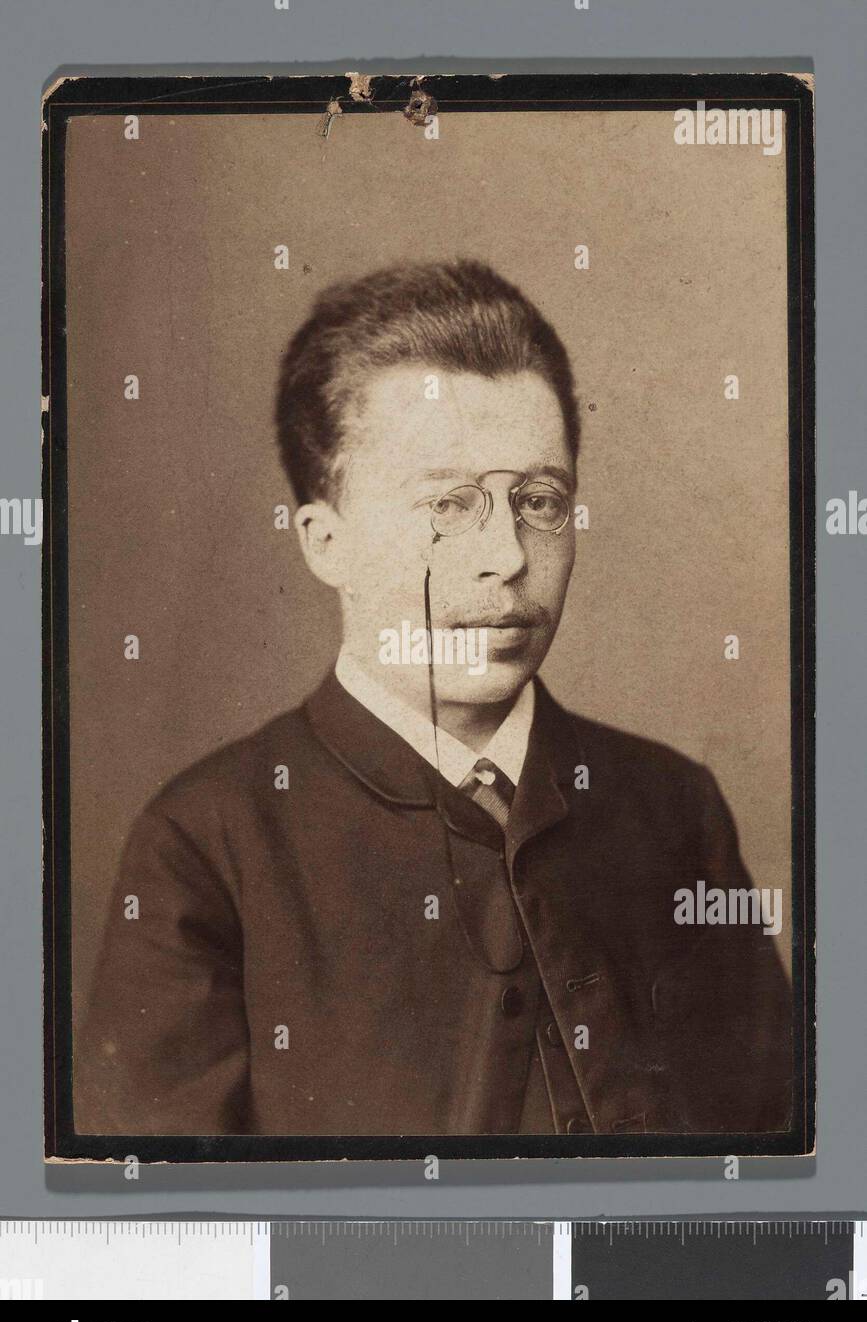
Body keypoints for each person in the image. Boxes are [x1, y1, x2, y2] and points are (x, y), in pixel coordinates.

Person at [76, 259, 792, 1139]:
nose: (508, 557)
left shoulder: (673, 807)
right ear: (324, 541)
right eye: (448, 505)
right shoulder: (206, 842)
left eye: (539, 499)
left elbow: (776, 1160)